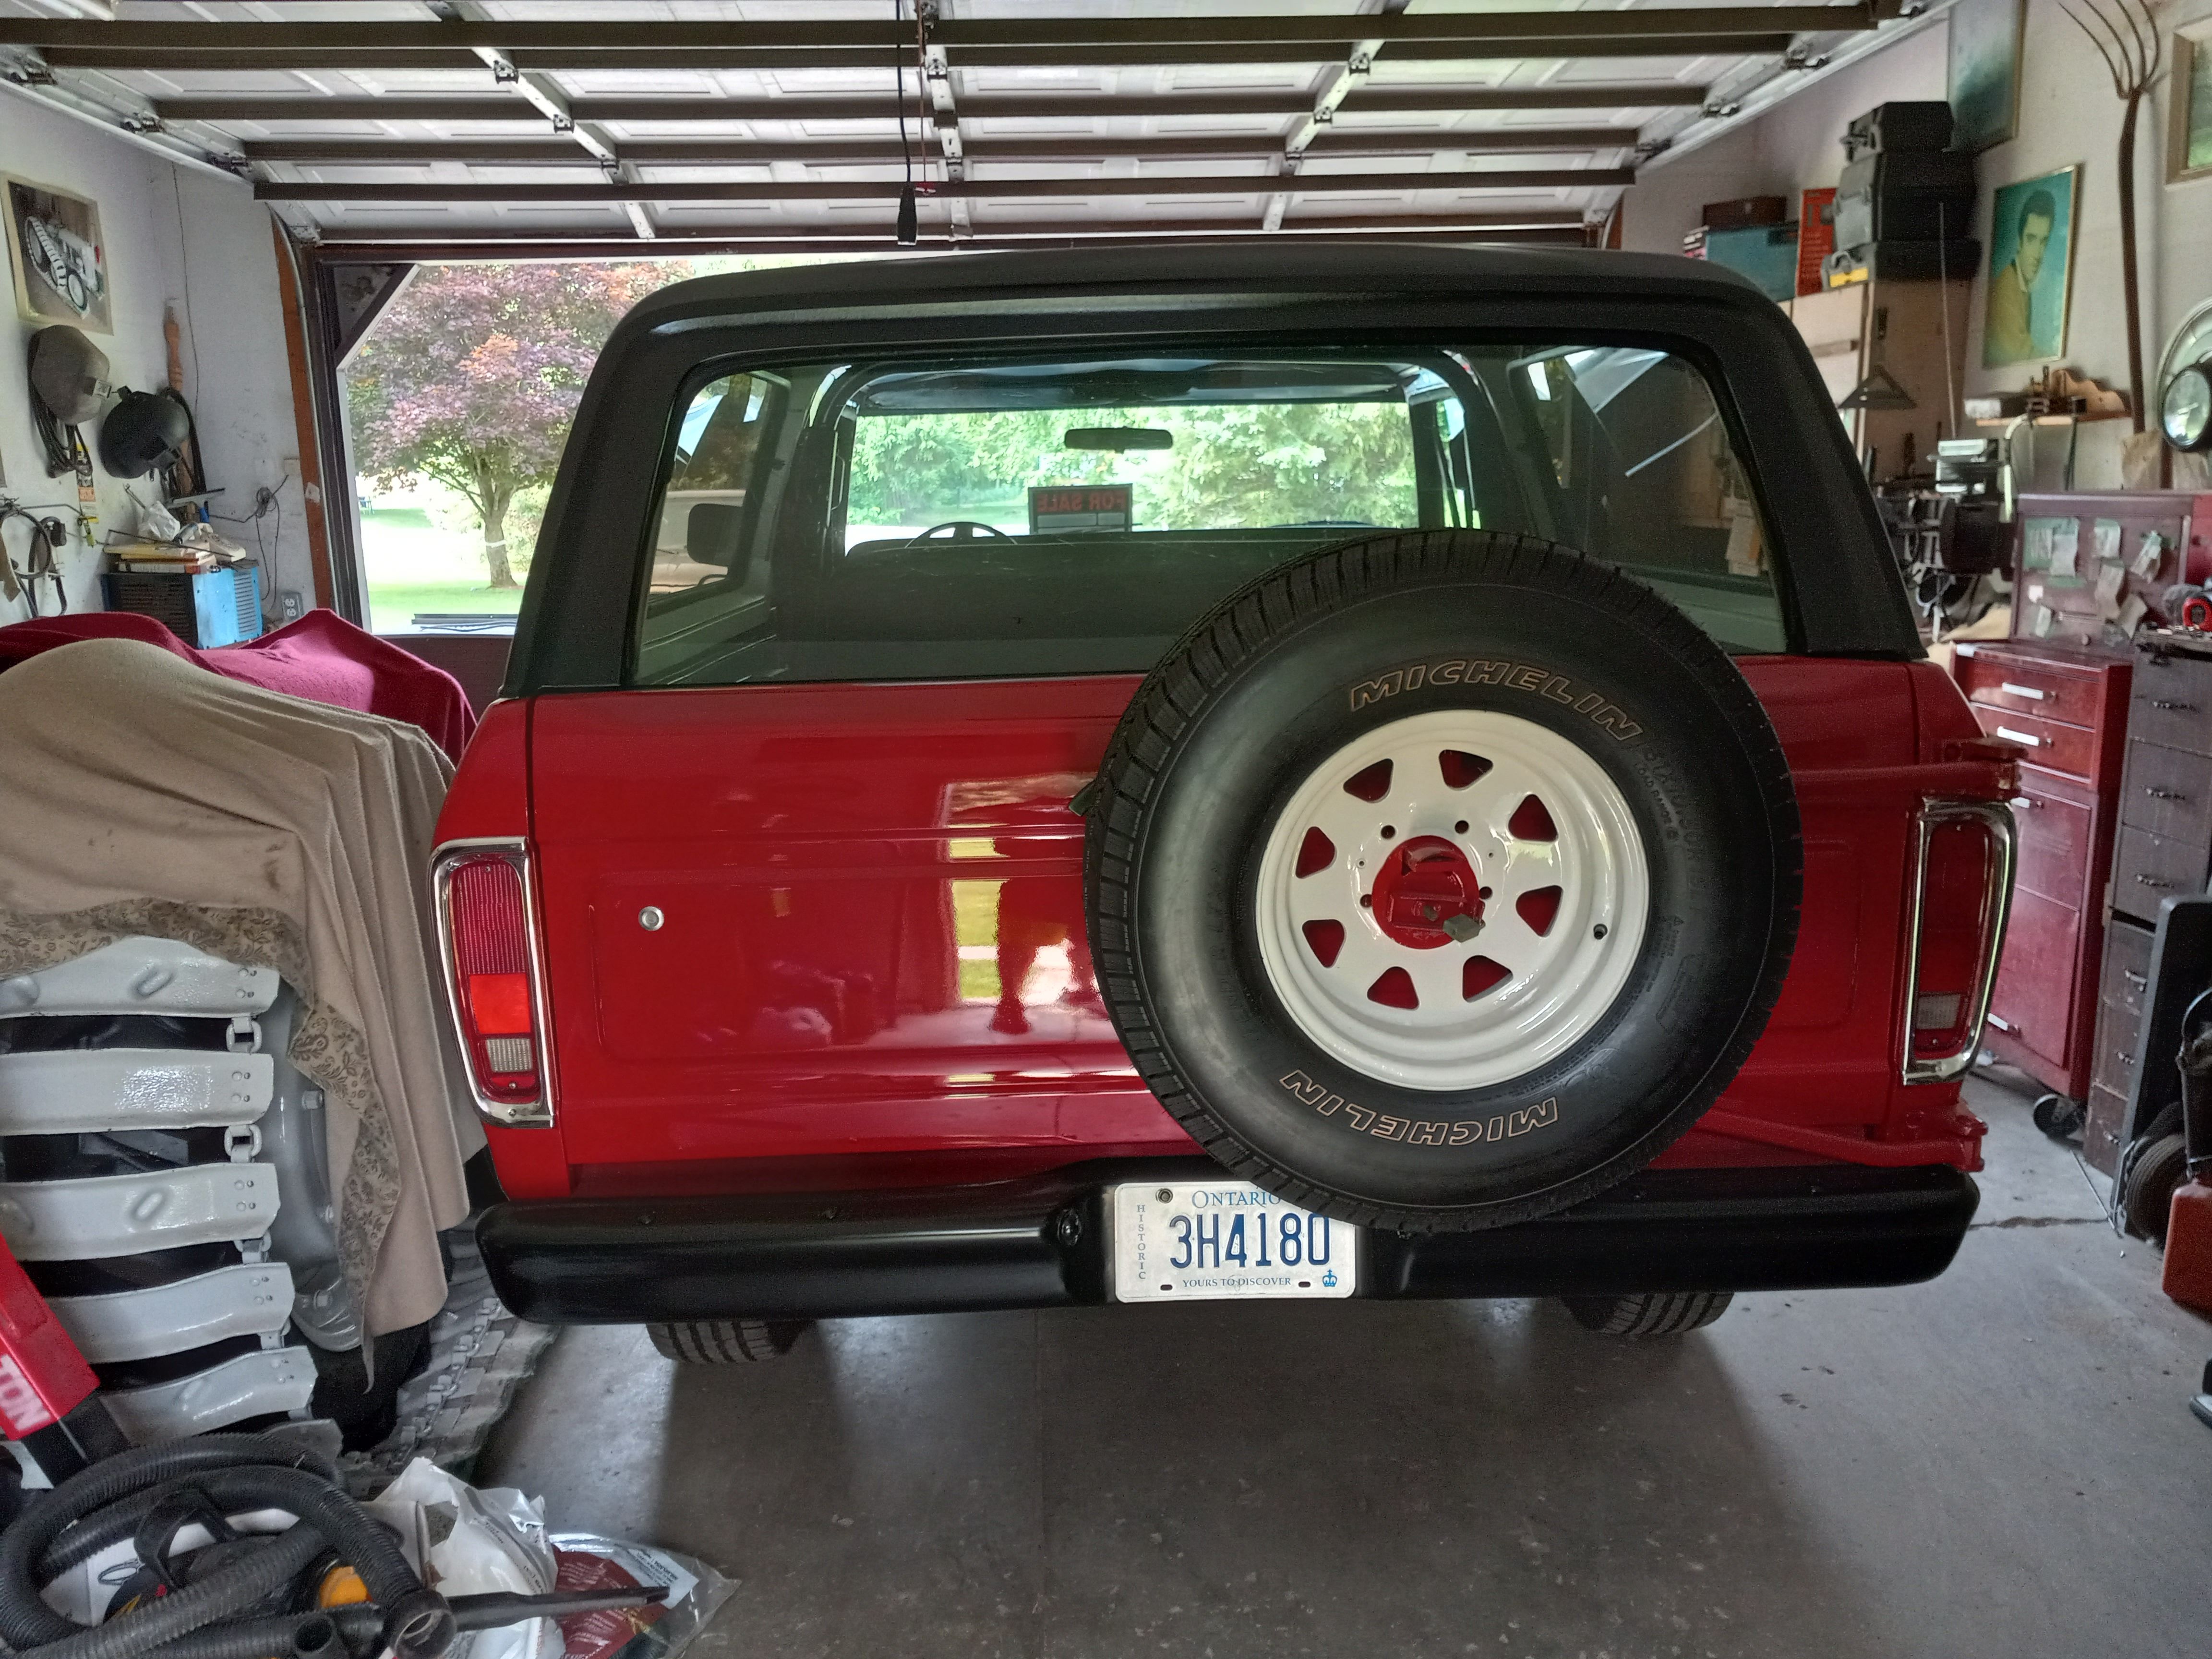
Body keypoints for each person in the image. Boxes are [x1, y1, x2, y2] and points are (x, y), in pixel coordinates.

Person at [1986, 189, 2055, 363]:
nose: (2038, 254)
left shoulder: (2021, 284)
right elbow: (2023, 355)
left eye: (2043, 241)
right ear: (2019, 240)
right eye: (2031, 239)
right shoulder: (2006, 286)